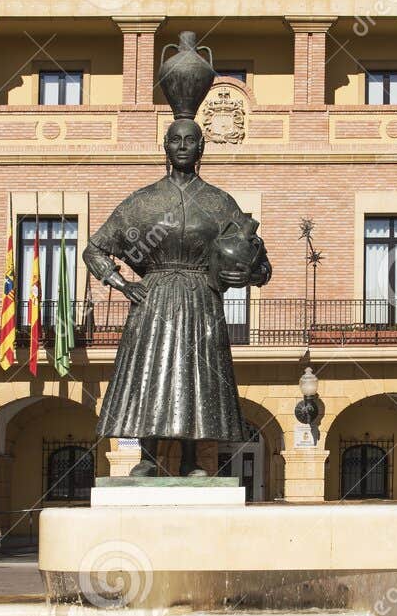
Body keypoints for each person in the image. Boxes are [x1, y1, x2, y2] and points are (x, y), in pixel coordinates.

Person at [82, 117, 270, 476]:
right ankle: (147, 459)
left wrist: (248, 273)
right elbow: (94, 250)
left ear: (201, 148)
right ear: (165, 147)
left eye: (190, 140)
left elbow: (260, 264)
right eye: (175, 140)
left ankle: (190, 461)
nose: (183, 146)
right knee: (152, 374)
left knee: (195, 374)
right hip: (154, 297)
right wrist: (121, 284)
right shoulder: (142, 201)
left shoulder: (220, 203)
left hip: (202, 298)